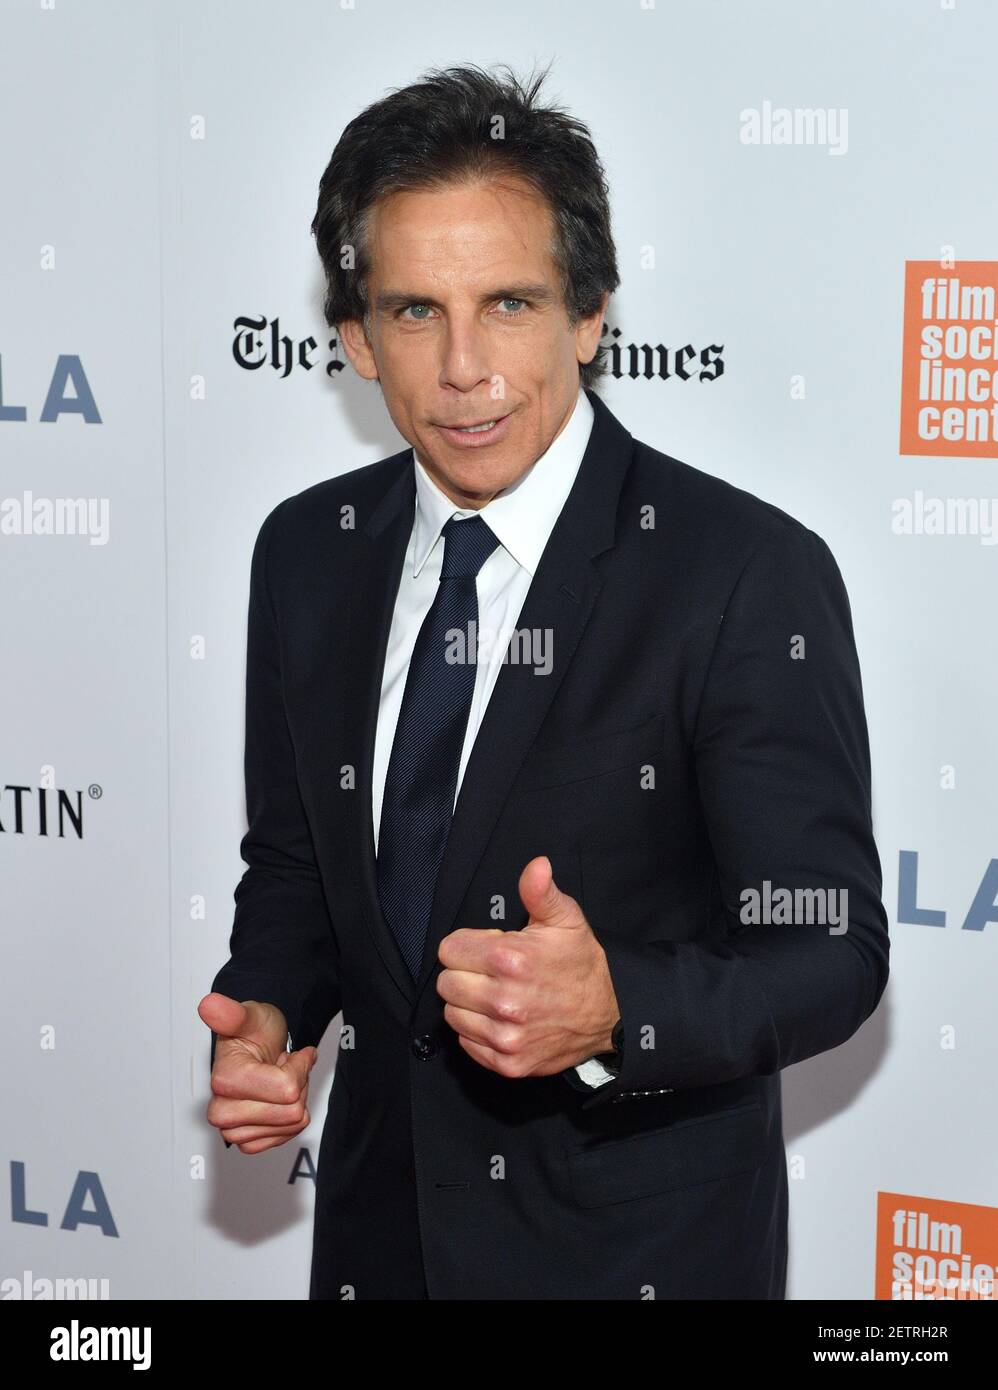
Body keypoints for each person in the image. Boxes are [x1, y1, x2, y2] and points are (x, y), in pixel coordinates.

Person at [199, 62, 889, 1300]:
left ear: (587, 315)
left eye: (508, 303)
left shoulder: (742, 575)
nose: (463, 365)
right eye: (413, 311)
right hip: (378, 1246)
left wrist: (619, 1003)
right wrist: (269, 1013)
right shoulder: (306, 554)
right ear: (354, 336)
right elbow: (302, 866)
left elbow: (829, 949)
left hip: (634, 1260)